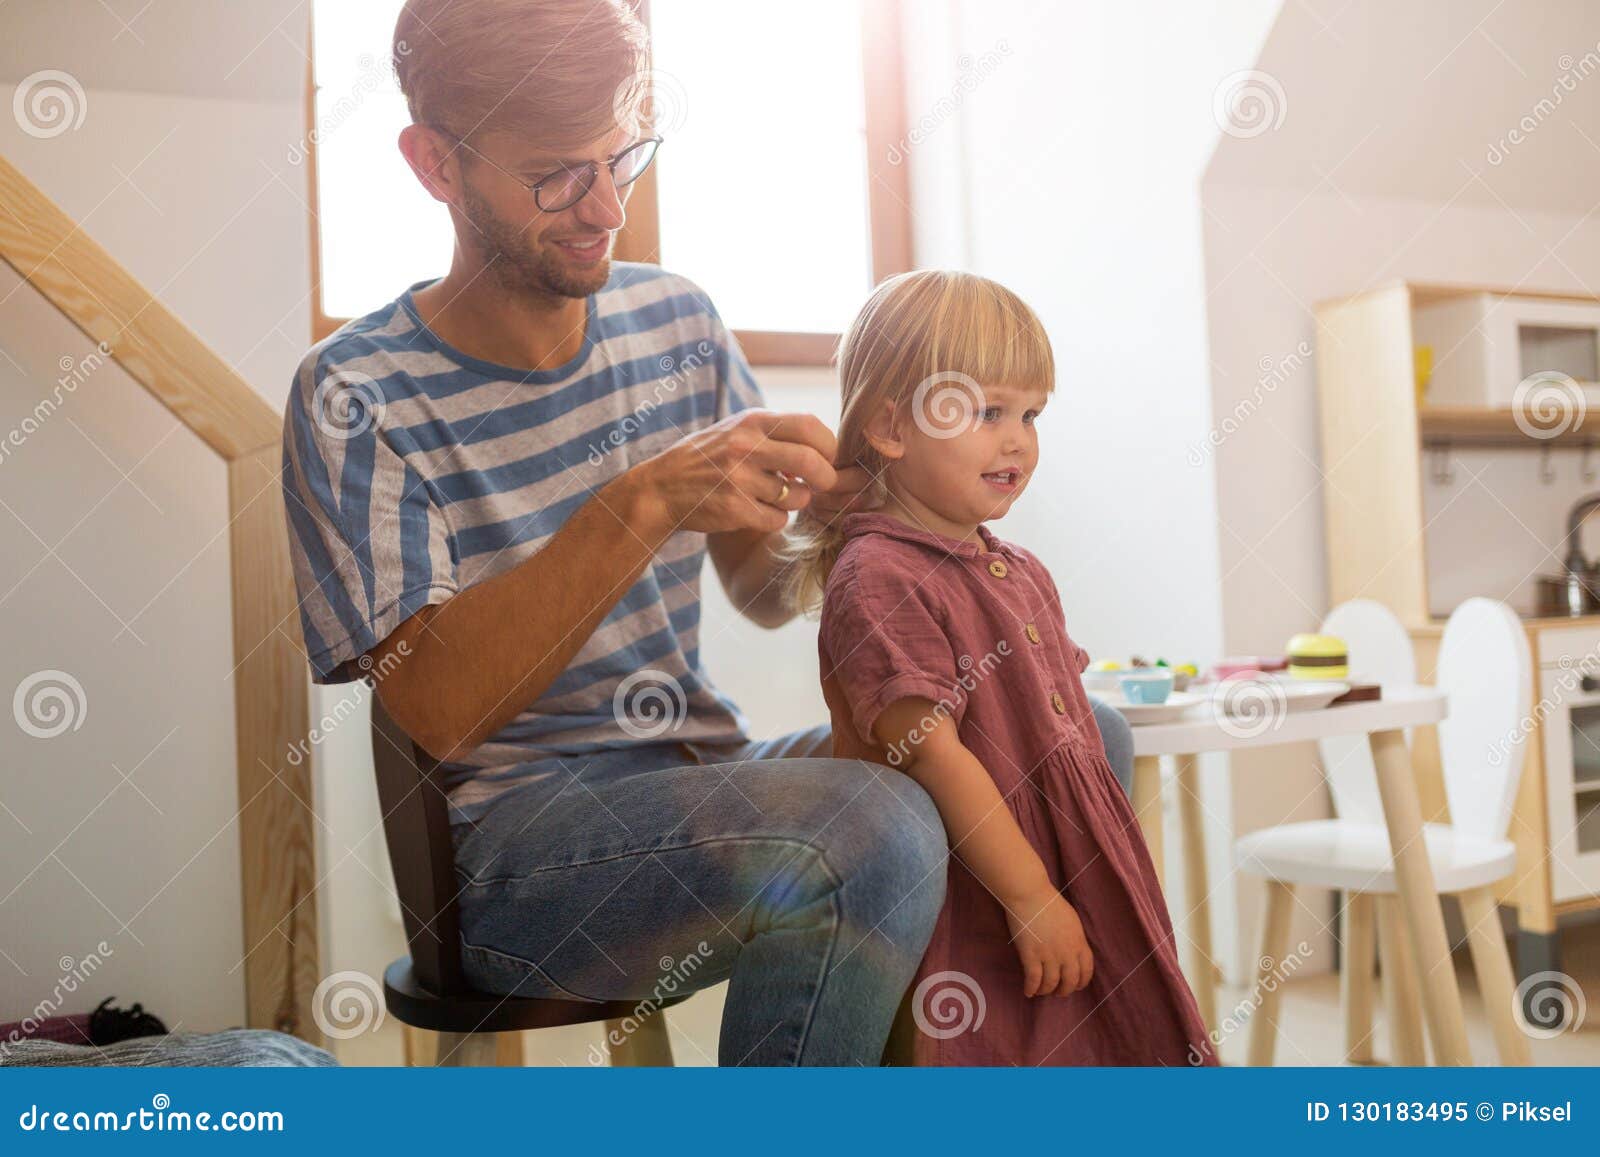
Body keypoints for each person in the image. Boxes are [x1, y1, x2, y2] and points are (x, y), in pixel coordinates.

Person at [279, 0, 1136, 1065]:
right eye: (555, 175)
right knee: (871, 824)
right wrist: (638, 505)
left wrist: (856, 516)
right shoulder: (354, 392)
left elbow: (764, 592)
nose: (605, 206)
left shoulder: (677, 320)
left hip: (706, 775)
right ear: (436, 164)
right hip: (515, 855)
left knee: (1076, 738)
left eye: (620, 158)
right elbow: (438, 710)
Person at [785, 270, 1215, 1066]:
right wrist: (1029, 896)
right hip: (975, 889)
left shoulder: (1019, 568)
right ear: (890, 426)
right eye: (987, 413)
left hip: (1061, 861)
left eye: (1030, 414)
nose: (1017, 439)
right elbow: (934, 756)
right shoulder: (879, 576)